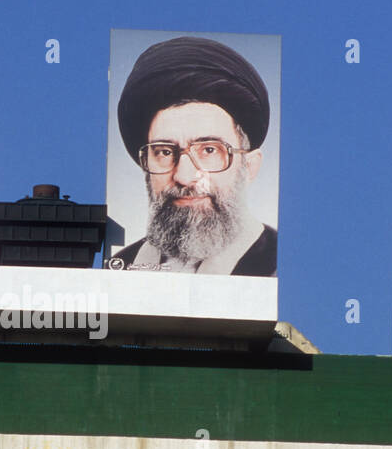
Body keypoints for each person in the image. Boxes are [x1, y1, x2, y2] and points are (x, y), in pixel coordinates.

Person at [113, 35, 275, 275]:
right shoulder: (122, 267)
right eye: (165, 152)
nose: (185, 176)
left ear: (249, 166)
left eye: (209, 150)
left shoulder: (282, 266)